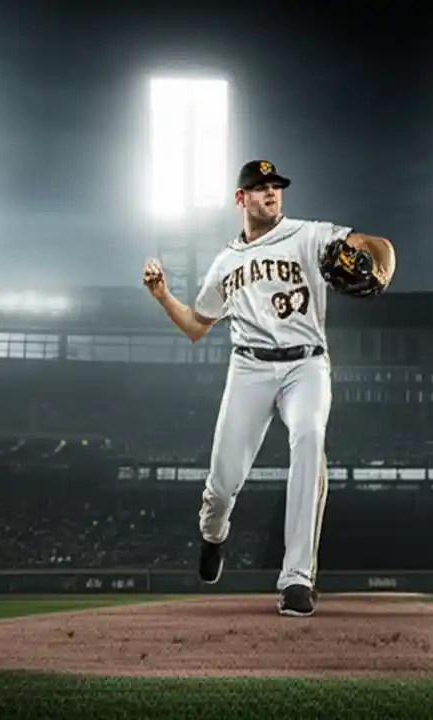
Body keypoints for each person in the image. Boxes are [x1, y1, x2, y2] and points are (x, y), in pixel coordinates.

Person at [142, 159, 395, 617]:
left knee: (310, 442)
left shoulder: (309, 235)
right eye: (260, 188)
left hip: (306, 365)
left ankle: (297, 579)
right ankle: (213, 534)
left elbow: (371, 245)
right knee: (222, 484)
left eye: (276, 186)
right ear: (241, 199)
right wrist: (163, 297)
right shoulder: (225, 262)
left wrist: (380, 261)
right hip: (249, 369)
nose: (271, 193)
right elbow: (197, 326)